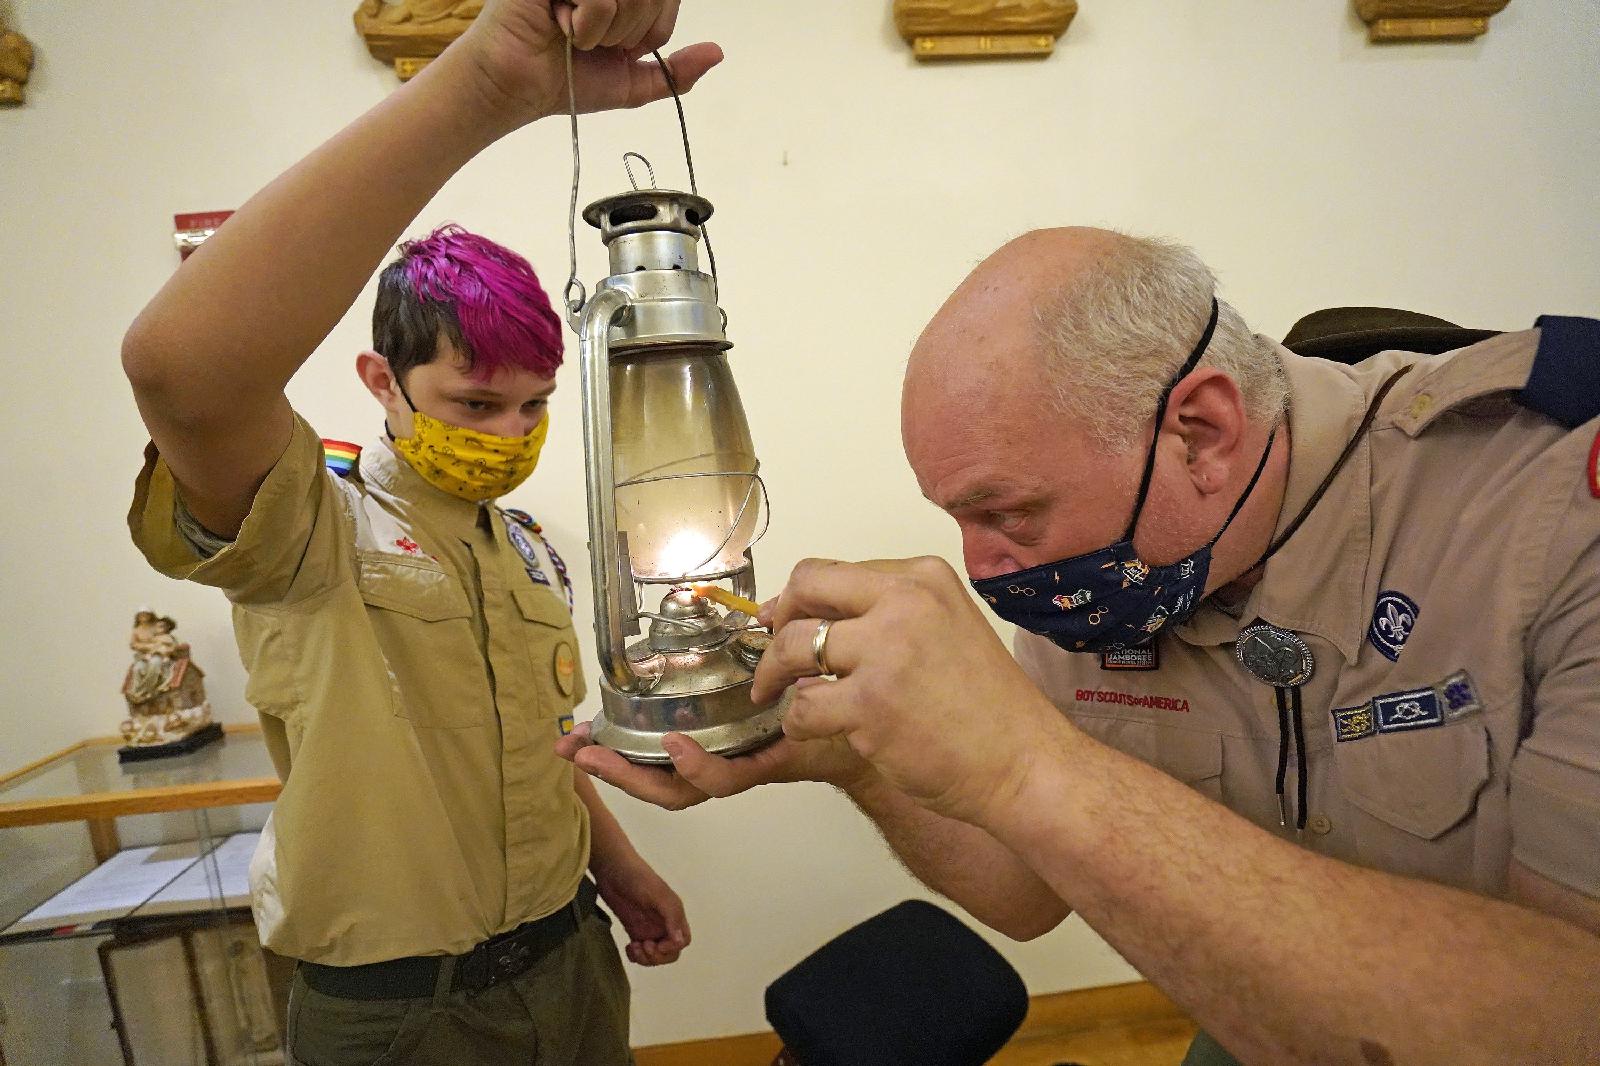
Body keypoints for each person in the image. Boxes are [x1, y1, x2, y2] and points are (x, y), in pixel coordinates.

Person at [562, 229, 1600, 1063]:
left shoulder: (1552, 514)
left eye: (1007, 511)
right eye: (958, 517)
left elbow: (1569, 1025)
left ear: (1200, 432)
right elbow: (1025, 893)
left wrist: (1031, 764)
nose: (983, 567)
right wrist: (846, 755)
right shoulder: (1110, 586)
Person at [122, 3, 721, 1063]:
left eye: (533, 405)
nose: (511, 433)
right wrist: (483, 89)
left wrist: (617, 867)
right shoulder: (308, 525)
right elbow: (182, 372)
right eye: (475, 403)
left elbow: (537, 744)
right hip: (403, 1017)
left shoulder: (525, 546)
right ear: (381, 381)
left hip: (570, 962)